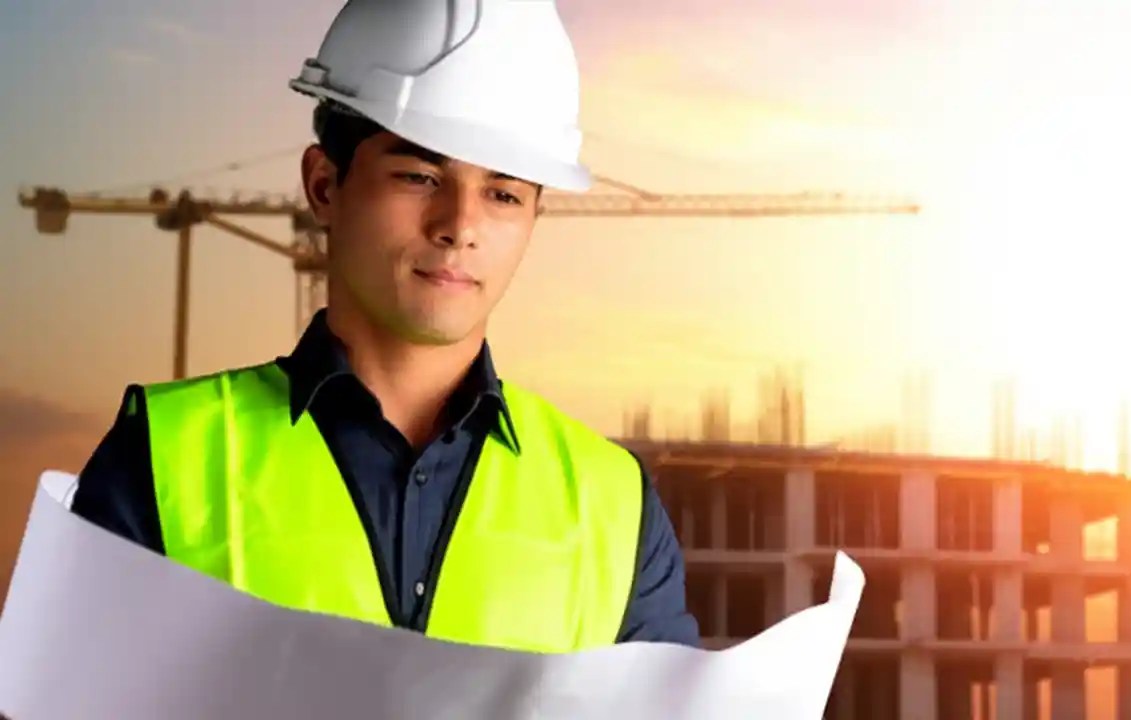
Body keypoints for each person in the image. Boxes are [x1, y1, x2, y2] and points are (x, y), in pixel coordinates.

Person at [70, 0, 700, 653]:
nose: (459, 225)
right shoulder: (159, 458)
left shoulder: (614, 504)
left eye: (503, 193)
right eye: (419, 175)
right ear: (323, 185)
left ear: (535, 217)